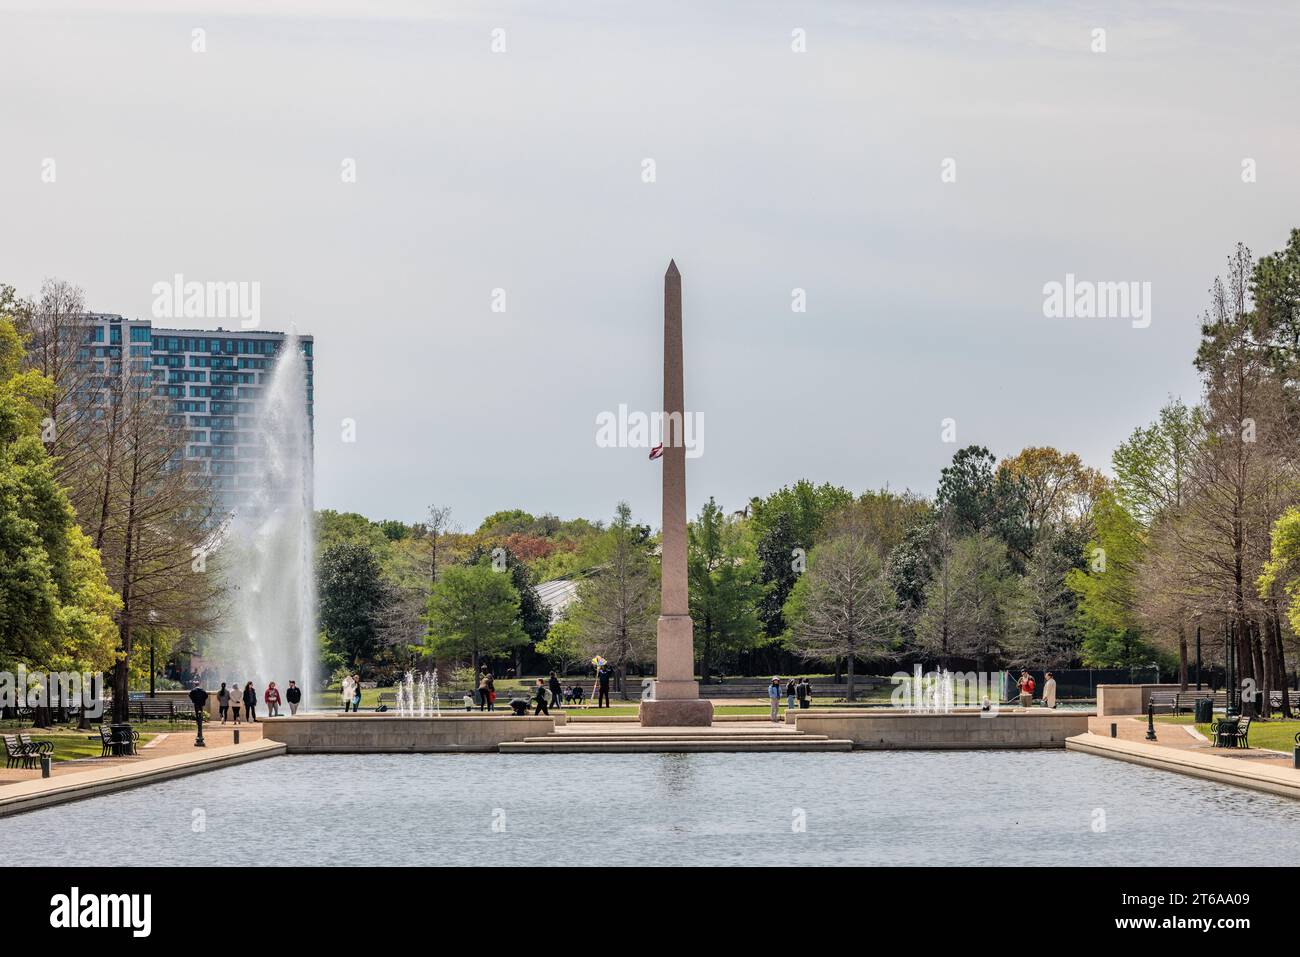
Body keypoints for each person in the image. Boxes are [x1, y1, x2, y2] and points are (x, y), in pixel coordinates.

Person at [188, 680, 209, 747]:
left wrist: (193, 700)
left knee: (197, 712)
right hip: (201, 704)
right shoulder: (202, 690)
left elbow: (190, 695)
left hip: (196, 703)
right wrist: (203, 700)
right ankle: (200, 720)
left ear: (195, 685)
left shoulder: (193, 690)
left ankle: (198, 720)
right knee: (200, 712)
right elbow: (206, 696)